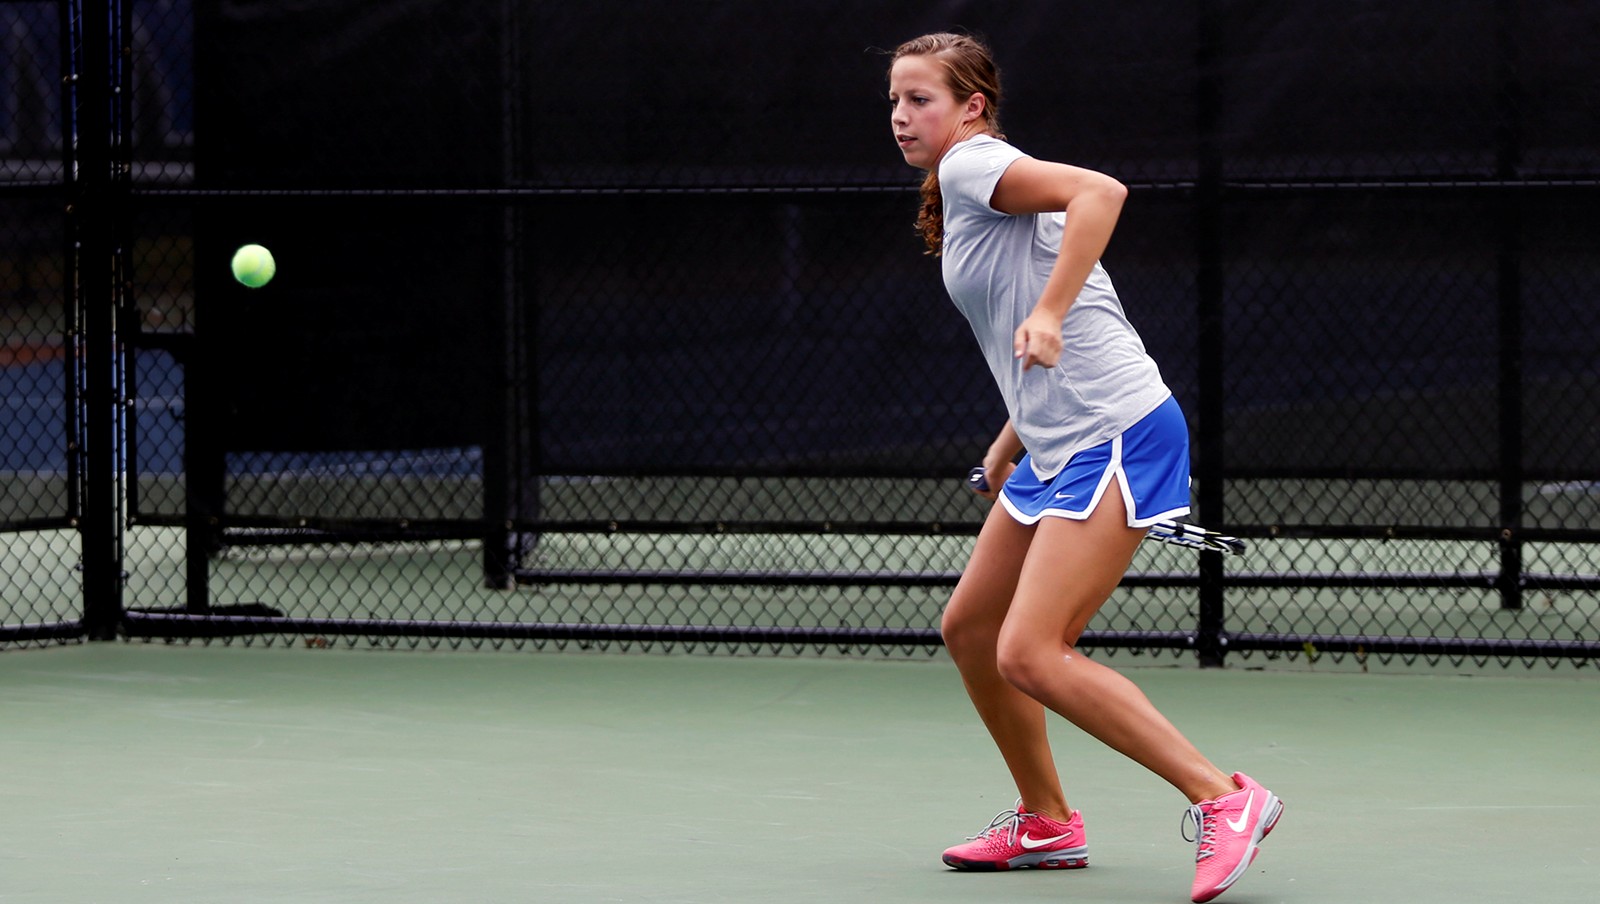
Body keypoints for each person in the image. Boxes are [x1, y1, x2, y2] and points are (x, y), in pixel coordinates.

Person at [886, 32, 1283, 904]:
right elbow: (1027, 330)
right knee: (972, 629)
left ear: (972, 107)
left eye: (920, 100)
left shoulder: (974, 165)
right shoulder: (976, 186)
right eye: (894, 102)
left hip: (1118, 433)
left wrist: (1052, 313)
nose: (901, 117)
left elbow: (1103, 191)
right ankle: (1047, 822)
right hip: (1054, 443)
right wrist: (1010, 440)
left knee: (1030, 652)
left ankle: (1224, 798)